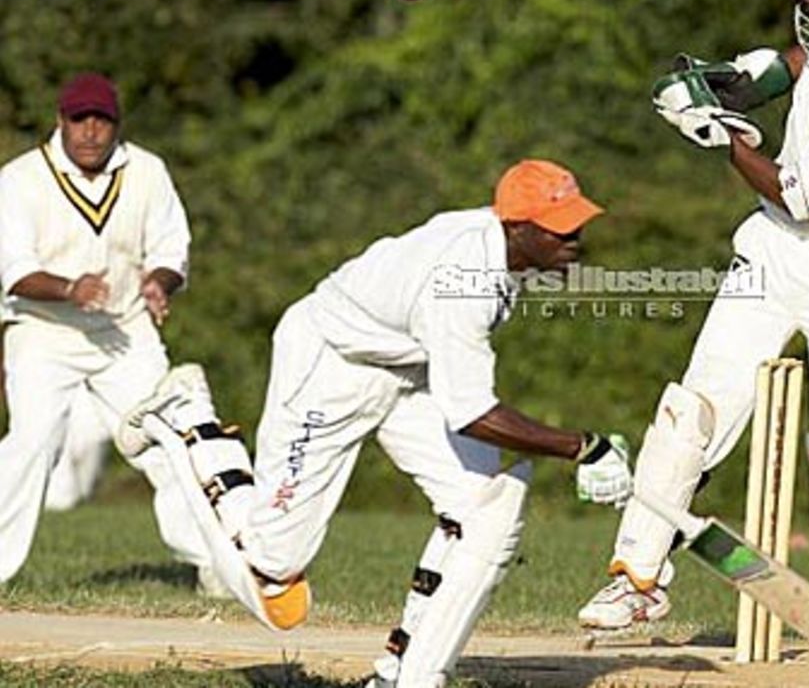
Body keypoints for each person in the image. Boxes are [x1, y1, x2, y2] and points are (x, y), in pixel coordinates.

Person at [117, 159, 633, 688]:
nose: (575, 240)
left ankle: (400, 673)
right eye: (561, 229)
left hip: (407, 372)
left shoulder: (508, 251)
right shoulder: (464, 281)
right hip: (331, 364)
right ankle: (191, 418)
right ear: (516, 227)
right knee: (273, 565)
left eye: (577, 223)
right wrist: (582, 447)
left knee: (480, 513)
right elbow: (473, 413)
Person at [578, 0, 809, 634]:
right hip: (768, 253)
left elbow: (796, 194)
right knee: (690, 410)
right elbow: (786, 69)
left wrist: (719, 132)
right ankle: (637, 578)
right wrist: (726, 80)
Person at [0, 72, 212, 586]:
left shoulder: (146, 171)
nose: (91, 131)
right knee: (32, 443)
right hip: (44, 331)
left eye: (102, 120)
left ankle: (216, 564)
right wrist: (70, 289)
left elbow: (170, 249)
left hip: (126, 333)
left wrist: (160, 283)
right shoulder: (20, 179)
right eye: (80, 119)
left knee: (169, 443)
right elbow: (14, 273)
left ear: (118, 124)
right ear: (60, 122)